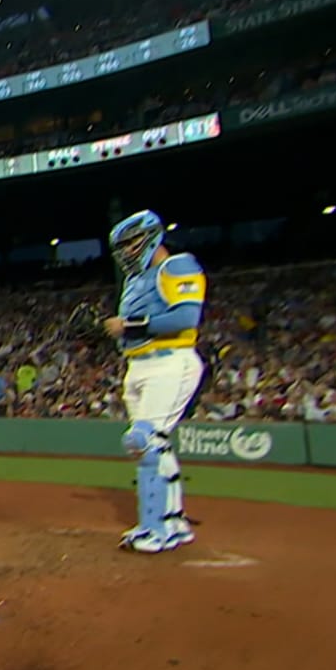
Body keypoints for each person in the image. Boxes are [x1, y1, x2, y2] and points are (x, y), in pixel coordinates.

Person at [101, 209, 205, 554]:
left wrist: (127, 326)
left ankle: (154, 529)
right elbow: (132, 329)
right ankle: (174, 523)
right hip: (138, 366)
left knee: (142, 440)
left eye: (131, 243)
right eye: (123, 246)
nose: (127, 252)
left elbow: (186, 316)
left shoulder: (177, 266)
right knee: (155, 444)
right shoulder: (134, 282)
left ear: (150, 237)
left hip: (170, 362)